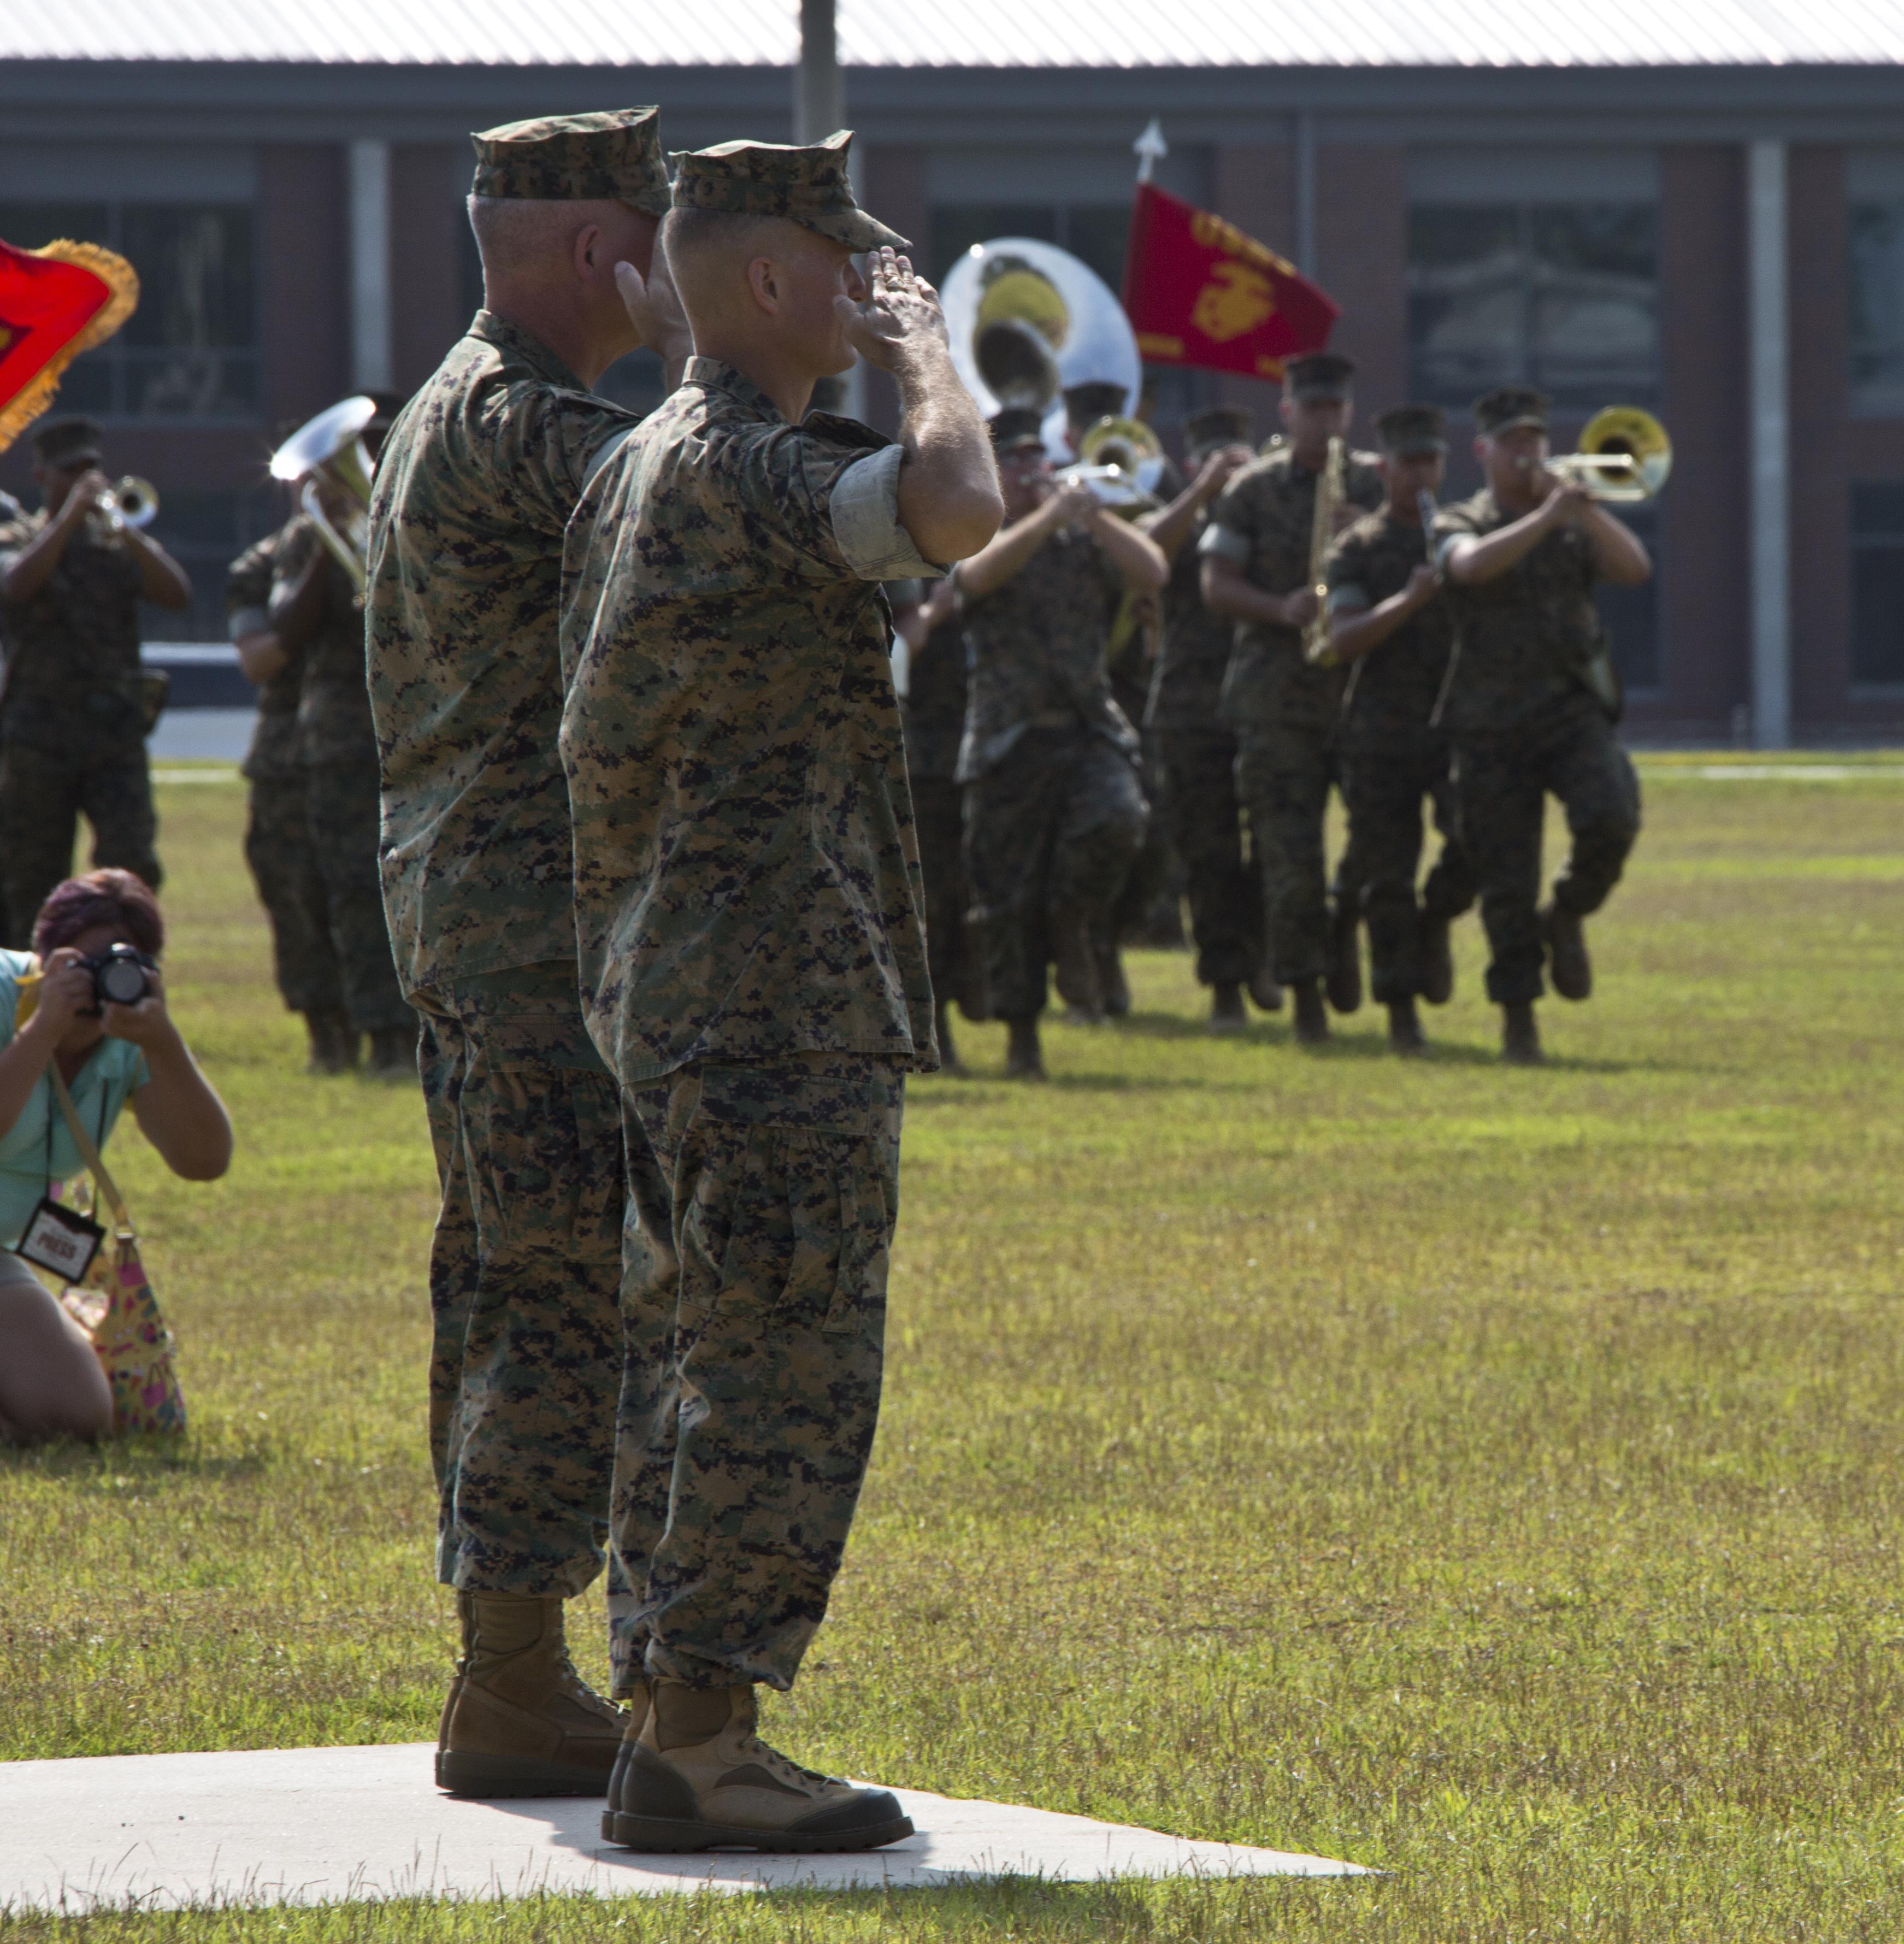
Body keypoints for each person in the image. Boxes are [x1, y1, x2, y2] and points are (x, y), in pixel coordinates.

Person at [559, 132, 999, 1852]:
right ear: (768, 278)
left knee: (690, 1348)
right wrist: (931, 359)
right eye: (854, 263)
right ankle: (702, 1735)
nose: (880, 287)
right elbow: (957, 508)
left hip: (679, 977)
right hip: (771, 992)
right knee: (778, 1359)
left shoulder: (641, 456)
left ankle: (670, 1713)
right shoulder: (744, 460)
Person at [364, 105, 688, 1804]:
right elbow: (706, 518)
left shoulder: (458, 402)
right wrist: (716, 356)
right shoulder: (526, 422)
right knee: (553, 1285)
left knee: (514, 1271)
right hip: (528, 921)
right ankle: (509, 1674)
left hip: (482, 910)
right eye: (662, 235)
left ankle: (509, 1663)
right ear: (597, 249)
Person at [947, 406, 1166, 1077]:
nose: (1027, 471)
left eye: (1033, 458)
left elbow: (1154, 572)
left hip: (1087, 730)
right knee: (1007, 898)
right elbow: (974, 579)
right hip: (1007, 741)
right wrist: (1045, 520)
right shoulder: (978, 534)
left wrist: (1095, 516)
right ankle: (1023, 1042)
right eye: (1012, 460)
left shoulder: (1083, 542)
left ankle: (1074, 923)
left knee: (1119, 819)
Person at [1436, 386, 1652, 1062]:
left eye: (1535, 440)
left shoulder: (1573, 522)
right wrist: (1545, 517)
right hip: (1490, 724)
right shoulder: (1458, 520)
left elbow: (1635, 569)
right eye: (1512, 443)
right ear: (1483, 451)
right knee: (1505, 878)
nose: (1526, 453)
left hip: (1569, 712)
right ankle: (1519, 1019)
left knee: (1612, 815)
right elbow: (1470, 567)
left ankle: (1566, 912)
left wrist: (1583, 513)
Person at [0, 871, 232, 1444]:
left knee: (77, 1411)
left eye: (119, 965)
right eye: (83, 963)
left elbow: (204, 1159)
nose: (101, 982)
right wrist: (42, 1029)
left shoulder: (127, 1037)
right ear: (45, 956)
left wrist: (162, 1041)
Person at [1200, 353, 1384, 1045]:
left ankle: (1342, 926)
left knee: (1377, 842)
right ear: (1288, 412)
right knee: (1288, 853)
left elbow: (1421, 575)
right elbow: (1216, 584)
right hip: (1275, 696)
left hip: (1362, 696)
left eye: (1337, 409)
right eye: (1314, 410)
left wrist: (1368, 534)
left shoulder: (1375, 484)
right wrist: (1281, 608)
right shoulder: (1251, 488)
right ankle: (1306, 995)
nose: (1327, 422)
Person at [234, 426, 417, 1077]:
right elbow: (280, 638)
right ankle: (363, 1031)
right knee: (338, 891)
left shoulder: (416, 527)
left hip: (407, 738)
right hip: (336, 746)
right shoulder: (303, 545)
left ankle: (400, 1031)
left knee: (390, 892)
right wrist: (328, 542)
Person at [1319, 403, 1479, 1055]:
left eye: (1430, 462)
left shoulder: (1465, 537)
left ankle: (1435, 919)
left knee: (1479, 837)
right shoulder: (1356, 548)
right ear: (1384, 469)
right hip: (1381, 732)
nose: (1421, 476)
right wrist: (1409, 601)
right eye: (1408, 464)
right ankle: (1401, 1009)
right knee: (1388, 874)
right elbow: (1344, 639)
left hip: (1457, 727)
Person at [0, 417, 185, 945]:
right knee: (28, 876)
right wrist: (67, 519)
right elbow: (15, 586)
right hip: (37, 739)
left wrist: (130, 535)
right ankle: (32, 988)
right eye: (71, 470)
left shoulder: (115, 543)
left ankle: (128, 974)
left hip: (114, 738)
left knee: (132, 867)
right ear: (42, 475)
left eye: (91, 468)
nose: (85, 479)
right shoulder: (18, 538)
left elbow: (177, 595)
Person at [1144, 407, 1270, 1029]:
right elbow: (1147, 555)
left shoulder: (1267, 514)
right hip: (1191, 709)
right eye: (1212, 460)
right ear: (1192, 465)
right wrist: (1200, 493)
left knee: (1274, 841)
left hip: (1266, 702)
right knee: (1208, 850)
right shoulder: (1179, 518)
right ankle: (1225, 985)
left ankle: (1264, 951)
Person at [225, 523, 344, 1071]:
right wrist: (324, 555)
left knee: (363, 896)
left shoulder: (398, 535)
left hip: (366, 752)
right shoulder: (261, 567)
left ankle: (391, 1032)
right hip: (287, 756)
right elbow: (261, 660)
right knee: (294, 895)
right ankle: (327, 1032)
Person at [892, 570, 978, 1065]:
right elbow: (893, 653)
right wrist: (933, 613)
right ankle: (931, 1027)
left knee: (962, 898)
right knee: (931, 900)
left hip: (975, 757)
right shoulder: (902, 565)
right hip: (921, 762)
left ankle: (960, 1005)